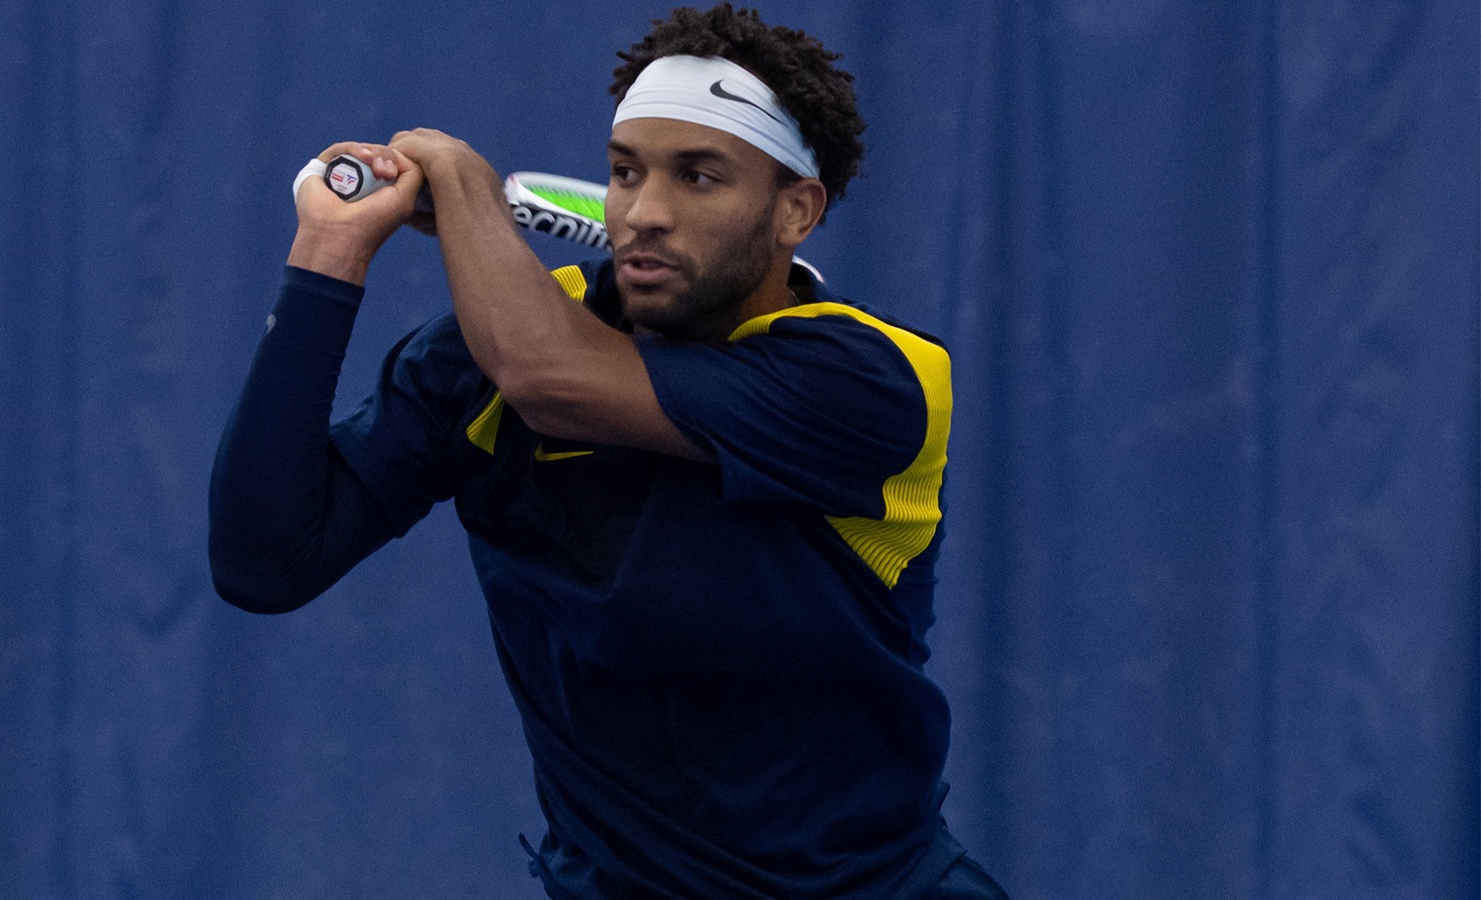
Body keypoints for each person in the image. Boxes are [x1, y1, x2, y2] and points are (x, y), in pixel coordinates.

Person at [209, 4, 1007, 897]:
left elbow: (548, 374)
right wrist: (328, 252)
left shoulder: (875, 380)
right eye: (625, 173)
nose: (645, 212)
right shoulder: (478, 363)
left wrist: (464, 183)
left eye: (700, 177)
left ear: (796, 211)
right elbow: (265, 561)